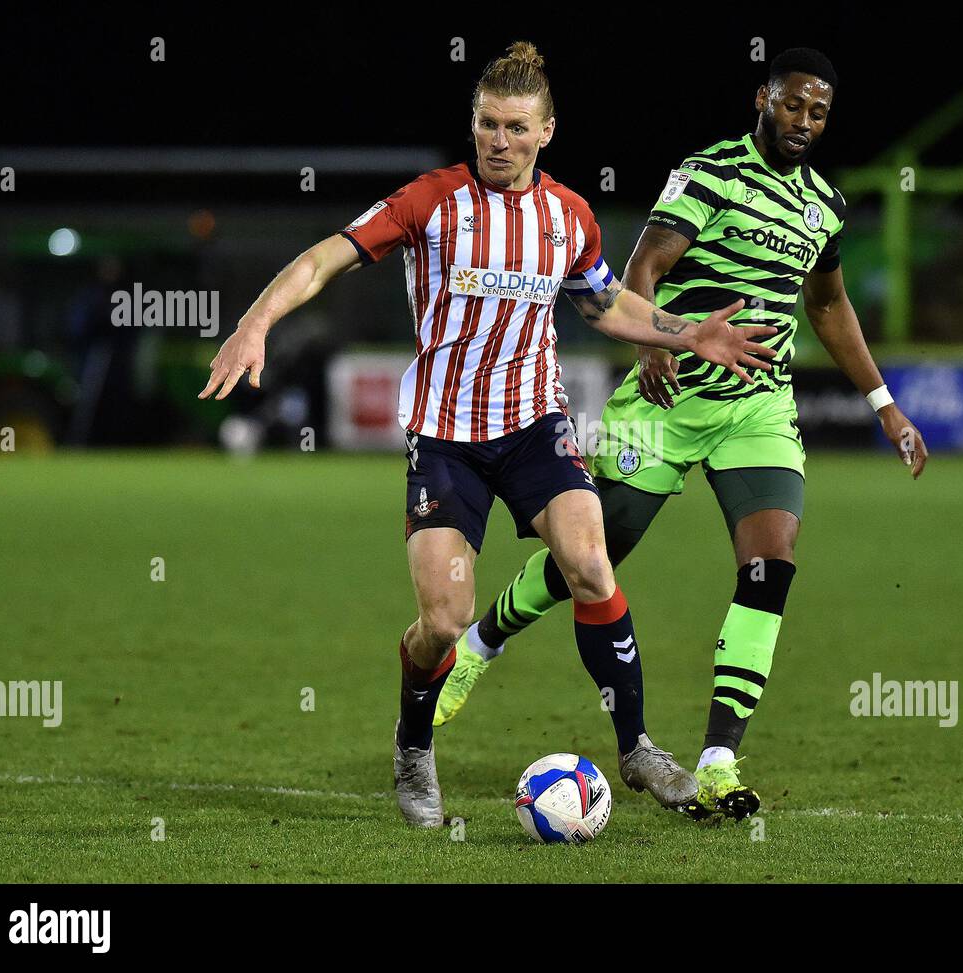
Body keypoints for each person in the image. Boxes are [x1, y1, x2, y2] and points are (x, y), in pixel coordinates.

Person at [198, 41, 777, 827]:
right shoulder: (431, 201)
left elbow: (604, 305)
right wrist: (256, 322)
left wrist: (683, 333)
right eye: (485, 125)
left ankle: (637, 748)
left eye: (513, 127)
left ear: (546, 131)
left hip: (535, 425)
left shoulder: (567, 216)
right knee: (443, 619)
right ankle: (412, 744)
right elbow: (323, 259)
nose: (497, 141)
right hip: (444, 436)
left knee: (590, 561)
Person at [432, 47, 929, 820]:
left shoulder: (824, 205)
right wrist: (649, 345)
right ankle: (481, 643)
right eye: (792, 104)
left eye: (818, 112)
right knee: (594, 553)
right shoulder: (711, 173)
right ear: (762, 98)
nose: (803, 122)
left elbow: (828, 308)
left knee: (771, 563)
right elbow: (644, 266)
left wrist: (884, 402)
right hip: (668, 398)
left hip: (757, 411)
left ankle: (719, 760)